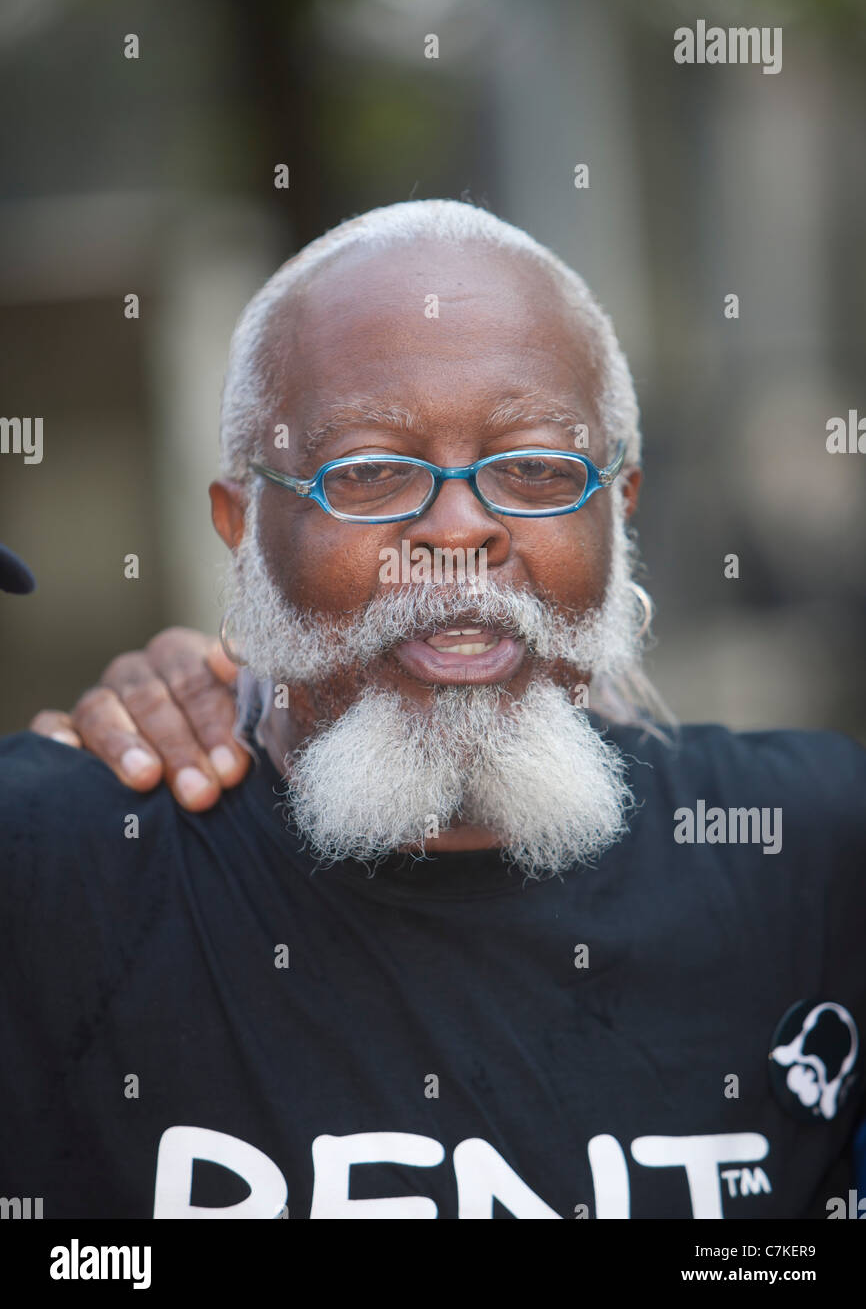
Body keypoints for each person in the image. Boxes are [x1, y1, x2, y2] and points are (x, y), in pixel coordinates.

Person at [4, 199, 865, 1220]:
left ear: (617, 504)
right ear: (242, 525)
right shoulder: (53, 872)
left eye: (536, 469)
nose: (457, 531)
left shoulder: (808, 855)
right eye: (366, 472)